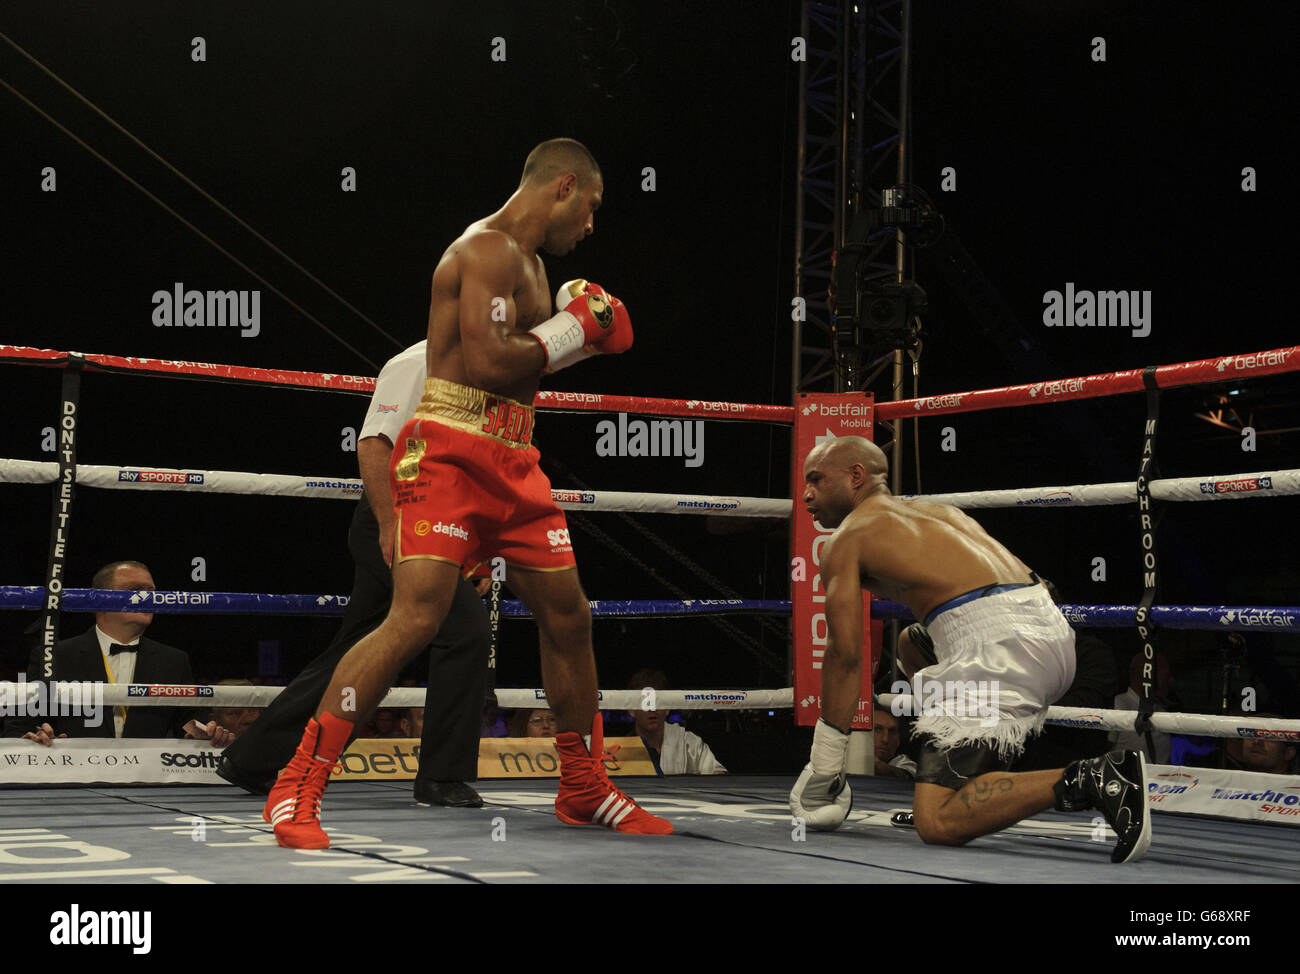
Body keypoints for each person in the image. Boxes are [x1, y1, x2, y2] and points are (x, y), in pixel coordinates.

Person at [266, 138, 671, 848]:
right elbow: (487, 362)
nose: (592, 226)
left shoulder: (536, 268)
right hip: (449, 452)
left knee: (570, 617)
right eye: (592, 207)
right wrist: (577, 329)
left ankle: (583, 785)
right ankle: (297, 784)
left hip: (516, 457)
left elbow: (525, 366)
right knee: (413, 620)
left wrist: (578, 335)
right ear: (564, 186)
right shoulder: (483, 252)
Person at [791, 436, 1150, 864]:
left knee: (937, 823)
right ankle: (956, 781)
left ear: (855, 477)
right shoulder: (936, 513)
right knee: (912, 642)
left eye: (815, 479)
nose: (806, 494)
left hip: (999, 649)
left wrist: (826, 763)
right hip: (1049, 632)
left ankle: (1097, 778)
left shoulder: (848, 539)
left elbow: (845, 657)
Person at [218, 341, 492, 808]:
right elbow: (373, 444)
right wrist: (392, 526)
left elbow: (470, 472)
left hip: (439, 525)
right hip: (397, 521)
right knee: (464, 629)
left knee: (359, 648)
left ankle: (254, 758)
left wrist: (474, 548)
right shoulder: (417, 362)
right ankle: (441, 777)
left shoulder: (487, 370)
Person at [3, 561, 232, 746]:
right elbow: (19, 726)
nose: (147, 598)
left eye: (151, 592)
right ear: (100, 598)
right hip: (71, 782)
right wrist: (37, 737)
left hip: (149, 783)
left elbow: (190, 724)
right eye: (134, 591)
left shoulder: (174, 660)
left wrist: (206, 734)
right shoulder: (53, 656)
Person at [627, 669, 726, 774]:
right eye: (646, 703)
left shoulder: (689, 743)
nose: (653, 708)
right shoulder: (621, 750)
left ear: (667, 708)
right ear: (632, 710)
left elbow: (719, 775)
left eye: (658, 701)